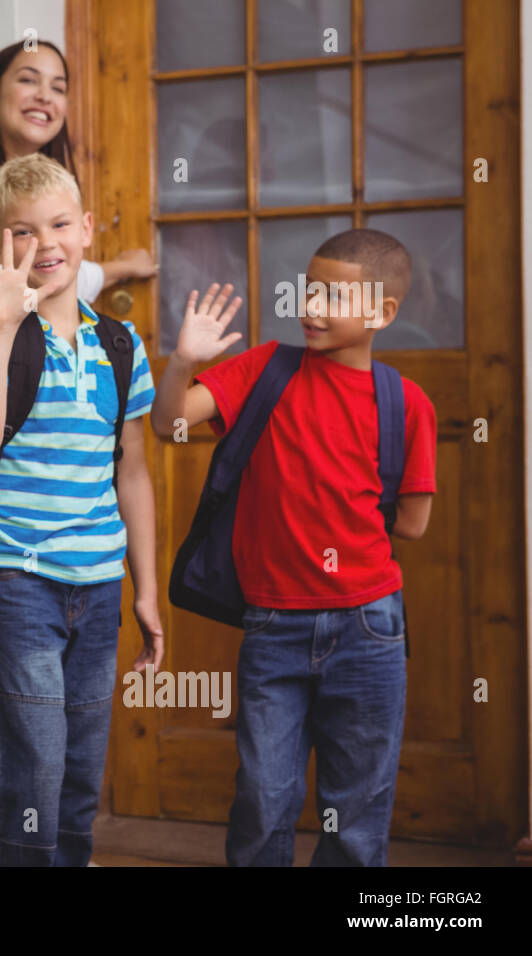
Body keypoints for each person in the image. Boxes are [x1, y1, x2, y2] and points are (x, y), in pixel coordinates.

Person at [149, 228, 437, 866]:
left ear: (382, 313)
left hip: (370, 628)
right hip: (274, 625)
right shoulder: (264, 370)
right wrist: (181, 361)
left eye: (333, 296)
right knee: (262, 793)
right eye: (309, 290)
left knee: (358, 808)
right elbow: (168, 424)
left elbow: (414, 522)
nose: (311, 306)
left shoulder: (406, 403)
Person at [0, 154, 163, 866]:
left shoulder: (120, 343)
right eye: (22, 232)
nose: (44, 244)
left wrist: (149, 591)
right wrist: (5, 324)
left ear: (86, 228)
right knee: (33, 762)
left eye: (59, 225)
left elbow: (131, 472)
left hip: (100, 583)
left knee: (79, 764)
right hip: (16, 578)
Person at [0, 39, 157, 395]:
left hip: (32, 396)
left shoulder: (51, 193)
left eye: (58, 87)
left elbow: (50, 278)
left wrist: (120, 268)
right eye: (29, 80)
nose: (45, 96)